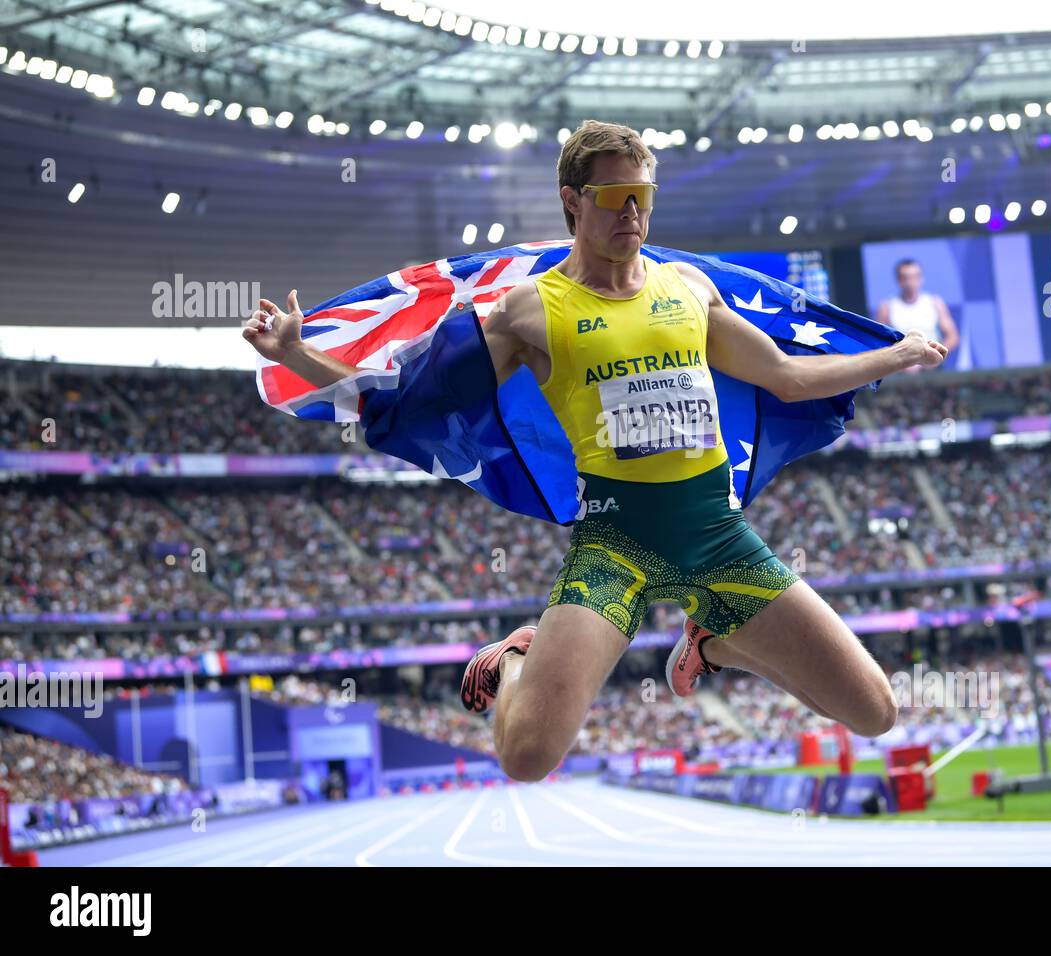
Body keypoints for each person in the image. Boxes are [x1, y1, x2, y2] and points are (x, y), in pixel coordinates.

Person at [243, 120, 948, 782]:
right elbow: (411, 398)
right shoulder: (530, 309)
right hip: (615, 549)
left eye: (643, 199)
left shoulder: (688, 289)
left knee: (875, 711)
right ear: (572, 202)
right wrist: (298, 353)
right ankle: (520, 654)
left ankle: (714, 642)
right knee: (527, 758)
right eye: (616, 200)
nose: (634, 216)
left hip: (718, 538)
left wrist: (895, 354)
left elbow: (787, 378)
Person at [875, 259, 959, 373]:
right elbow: (878, 342)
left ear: (921, 279)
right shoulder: (887, 307)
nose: (910, 282)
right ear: (898, 280)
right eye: (905, 278)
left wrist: (934, 356)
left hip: (932, 369)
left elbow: (952, 337)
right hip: (900, 370)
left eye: (914, 277)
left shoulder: (935, 303)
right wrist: (900, 362)